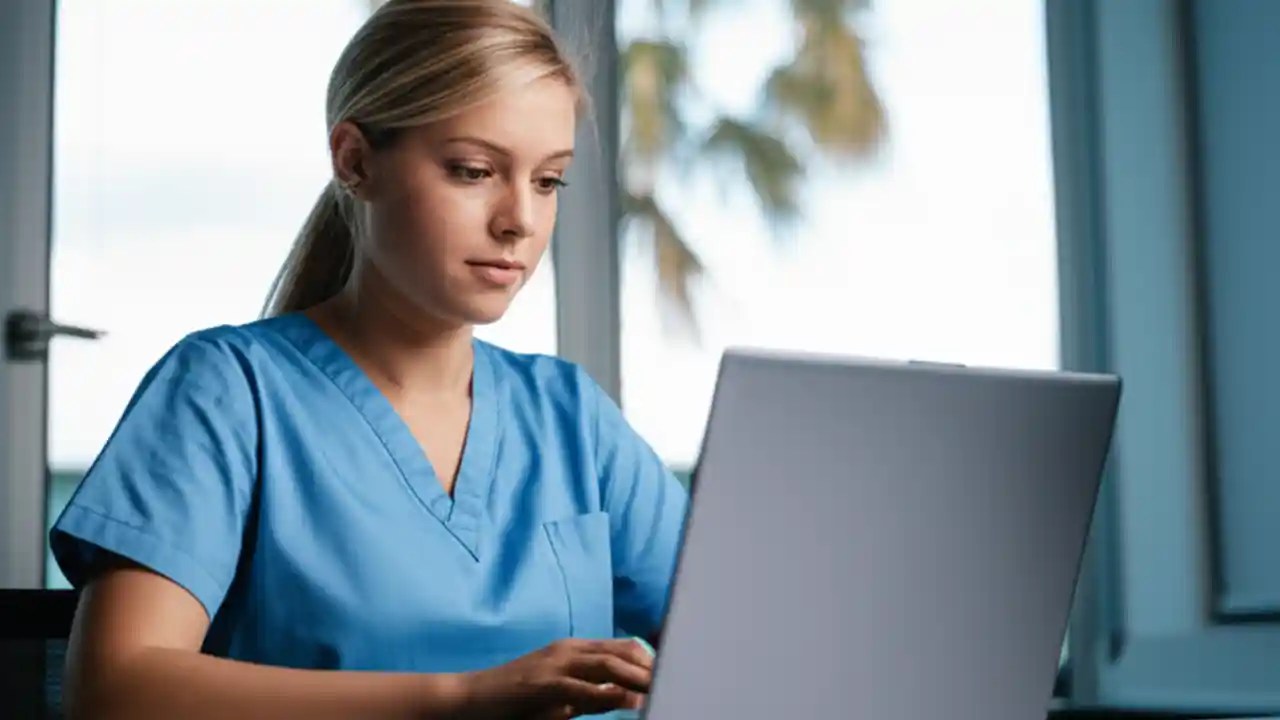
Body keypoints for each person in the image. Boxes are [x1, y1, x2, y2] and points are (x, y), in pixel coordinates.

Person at [48, 1, 689, 717]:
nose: (521, 220)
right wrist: (463, 697)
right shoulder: (228, 393)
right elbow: (116, 689)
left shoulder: (572, 419)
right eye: (474, 170)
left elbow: (746, 636)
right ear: (355, 161)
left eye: (548, 181)